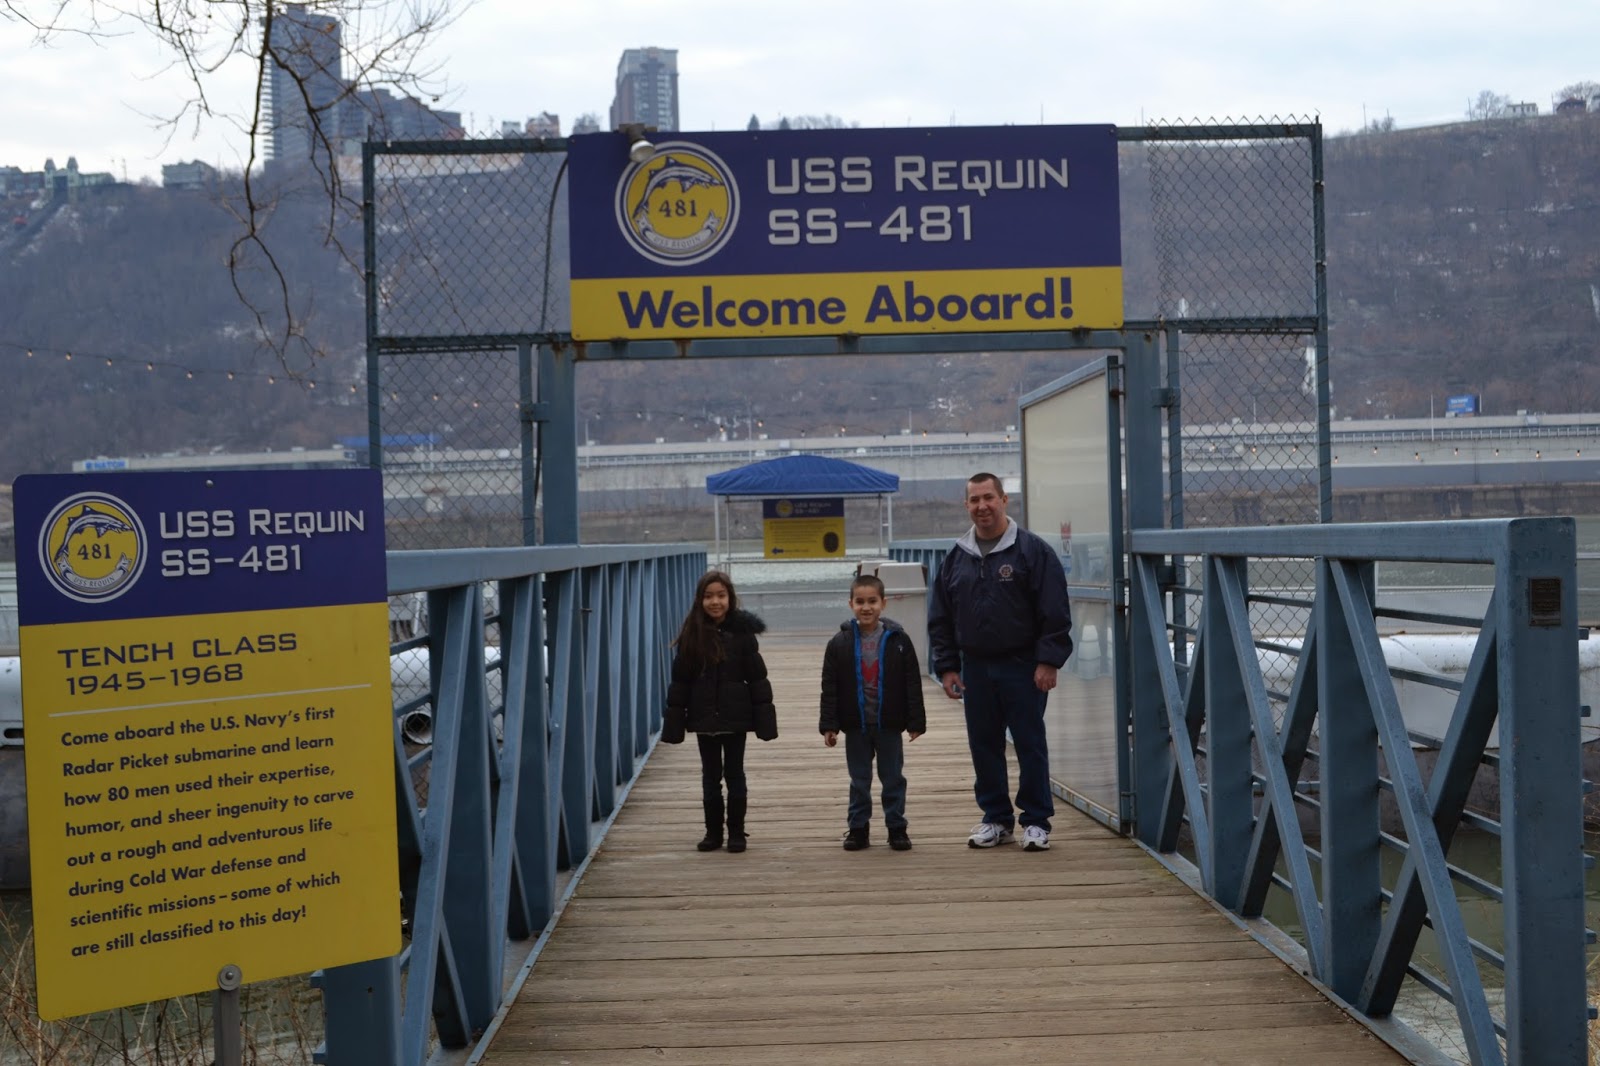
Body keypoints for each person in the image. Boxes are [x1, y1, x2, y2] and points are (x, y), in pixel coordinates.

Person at [928, 472, 1072, 852]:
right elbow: (940, 617)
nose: (982, 506)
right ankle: (995, 819)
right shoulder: (956, 557)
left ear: (1004, 500)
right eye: (974, 500)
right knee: (984, 745)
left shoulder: (1032, 551)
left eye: (988, 498)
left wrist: (1049, 661)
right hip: (975, 666)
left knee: (1029, 743)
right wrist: (946, 666)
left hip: (1023, 665)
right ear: (966, 506)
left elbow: (1054, 611)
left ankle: (1036, 820)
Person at [664, 571, 777, 853]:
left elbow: (757, 678)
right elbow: (680, 682)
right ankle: (712, 833)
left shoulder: (743, 633)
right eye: (709, 596)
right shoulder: (692, 633)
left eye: (721, 595)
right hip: (704, 718)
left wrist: (764, 721)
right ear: (699, 600)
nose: (715, 602)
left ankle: (736, 832)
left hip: (736, 717)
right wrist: (675, 722)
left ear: (730, 598)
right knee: (710, 776)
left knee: (735, 774)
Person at [819, 574, 927, 851]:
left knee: (893, 778)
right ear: (850, 604)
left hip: (889, 725)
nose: (866, 607)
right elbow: (829, 687)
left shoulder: (899, 641)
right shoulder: (838, 643)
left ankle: (896, 827)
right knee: (859, 780)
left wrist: (916, 721)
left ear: (884, 603)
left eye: (872, 601)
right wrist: (829, 724)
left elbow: (912, 683)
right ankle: (858, 828)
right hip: (855, 725)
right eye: (860, 601)